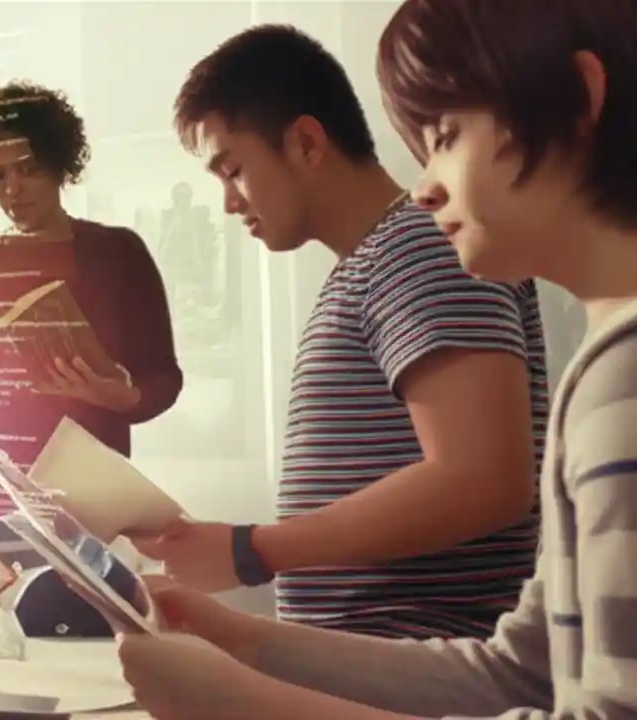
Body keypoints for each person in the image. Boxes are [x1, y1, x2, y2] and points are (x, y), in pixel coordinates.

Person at [117, 1, 637, 718]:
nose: (426, 184)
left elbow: (480, 479)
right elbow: (523, 672)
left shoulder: (420, 250)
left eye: (446, 136)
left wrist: (249, 583)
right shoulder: (598, 364)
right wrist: (249, 645)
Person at [134, 24, 547, 640]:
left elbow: (483, 477)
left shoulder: (417, 246)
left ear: (305, 142)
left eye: (233, 168)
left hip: (421, 666)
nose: (226, 202)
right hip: (372, 665)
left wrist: (251, 551)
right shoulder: (373, 263)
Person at [0, 79, 183, 636]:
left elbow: (164, 377)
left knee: (86, 665)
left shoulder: (117, 254)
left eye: (26, 169)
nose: (12, 188)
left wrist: (123, 396)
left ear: (59, 163)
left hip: (74, 513)